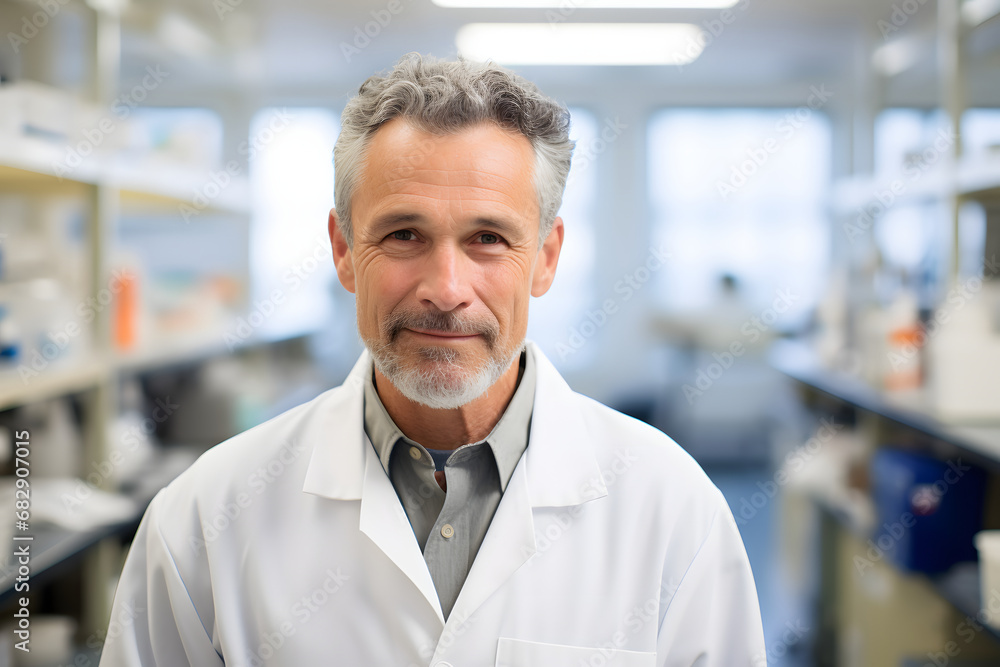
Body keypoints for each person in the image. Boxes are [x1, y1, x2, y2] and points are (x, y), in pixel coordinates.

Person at [99, 53, 765, 667]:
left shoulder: (672, 510)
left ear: (546, 257)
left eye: (488, 237)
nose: (446, 289)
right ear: (342, 249)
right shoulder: (205, 518)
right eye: (404, 234)